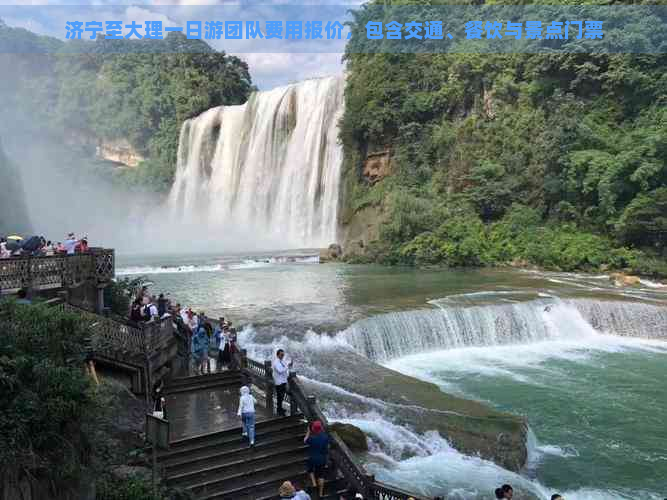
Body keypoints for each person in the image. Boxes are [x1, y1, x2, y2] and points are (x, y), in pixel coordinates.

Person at [304, 420, 329, 498]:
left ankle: (314, 483)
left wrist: (308, 432)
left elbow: (305, 440)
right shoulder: (325, 437)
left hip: (312, 458)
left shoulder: (311, 438)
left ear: (313, 429)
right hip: (322, 458)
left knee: (310, 469)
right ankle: (321, 493)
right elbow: (327, 449)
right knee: (321, 475)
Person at [272, 348, 292, 416]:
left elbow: (285, 367)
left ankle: (280, 409)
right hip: (279, 382)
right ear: (277, 355)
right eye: (281, 354)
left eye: (283, 354)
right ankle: (279, 410)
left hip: (283, 381)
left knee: (282, 396)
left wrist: (289, 365)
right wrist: (287, 367)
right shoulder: (276, 362)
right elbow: (280, 370)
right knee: (280, 396)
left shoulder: (282, 361)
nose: (282, 356)